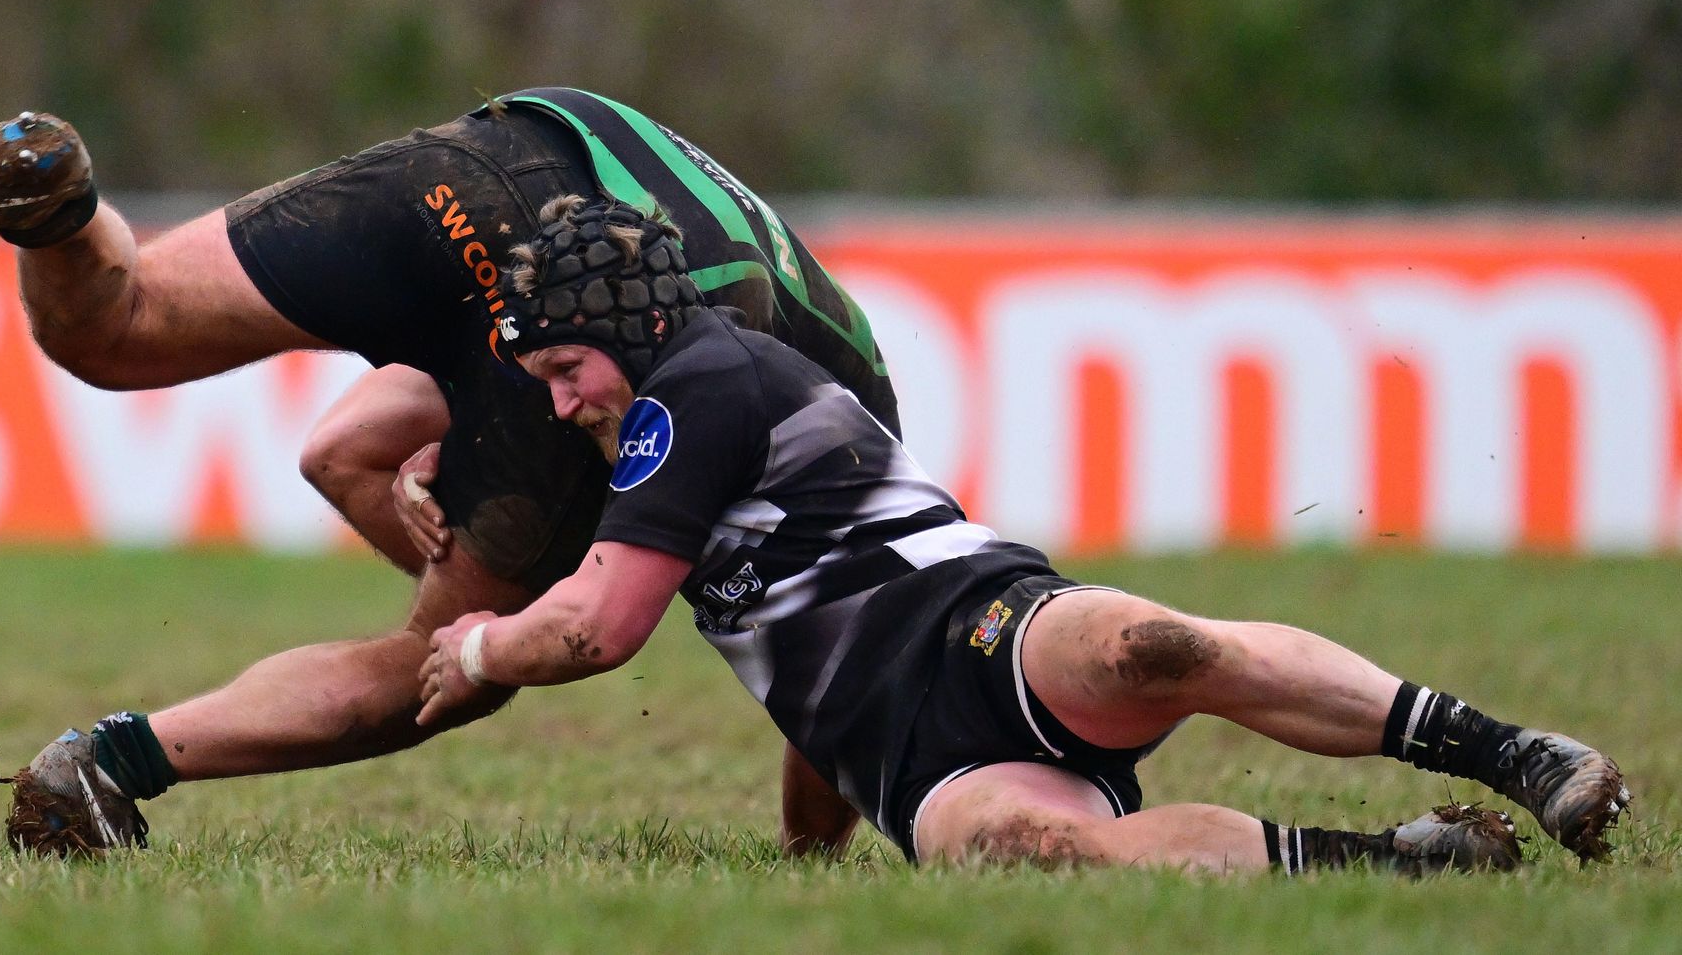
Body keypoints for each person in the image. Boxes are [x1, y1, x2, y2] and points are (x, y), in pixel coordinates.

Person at [415, 196, 1632, 872]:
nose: (562, 399)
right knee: (1017, 848)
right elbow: (806, 650)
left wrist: (473, 647)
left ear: (624, 329)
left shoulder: (697, 385)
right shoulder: (653, 420)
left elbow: (597, 626)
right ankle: (1400, 861)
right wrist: (810, 830)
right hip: (900, 754)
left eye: (566, 369)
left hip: (977, 628)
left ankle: (1511, 752)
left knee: (1145, 647)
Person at [0, 90, 899, 854]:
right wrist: (809, 858)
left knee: (120, 324)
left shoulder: (658, 345)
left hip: (505, 157)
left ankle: (56, 207)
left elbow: (338, 448)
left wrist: (460, 463)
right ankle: (110, 763)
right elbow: (833, 692)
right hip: (641, 274)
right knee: (436, 668)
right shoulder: (836, 430)